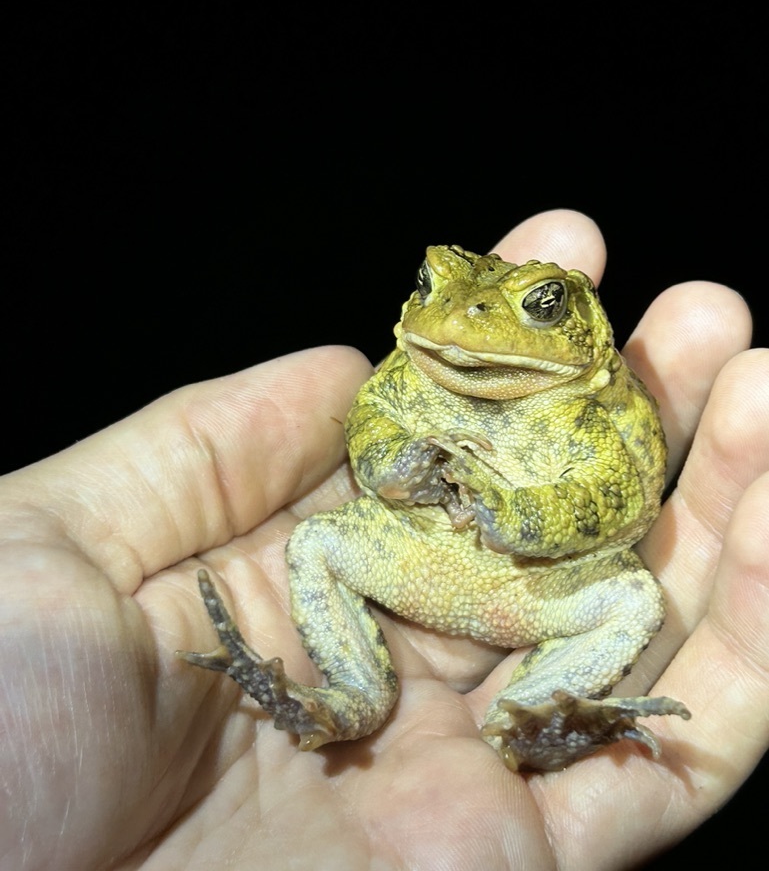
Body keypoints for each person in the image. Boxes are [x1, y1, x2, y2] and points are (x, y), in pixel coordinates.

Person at [1, 209, 767, 871]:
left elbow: (620, 491)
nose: (461, 316)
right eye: (432, 289)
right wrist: (395, 469)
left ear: (576, 324)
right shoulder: (410, 371)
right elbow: (371, 428)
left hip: (539, 589)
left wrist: (521, 517)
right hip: (412, 555)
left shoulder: (594, 405)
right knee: (318, 544)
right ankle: (353, 694)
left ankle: (524, 716)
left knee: (632, 596)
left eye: (537, 306)